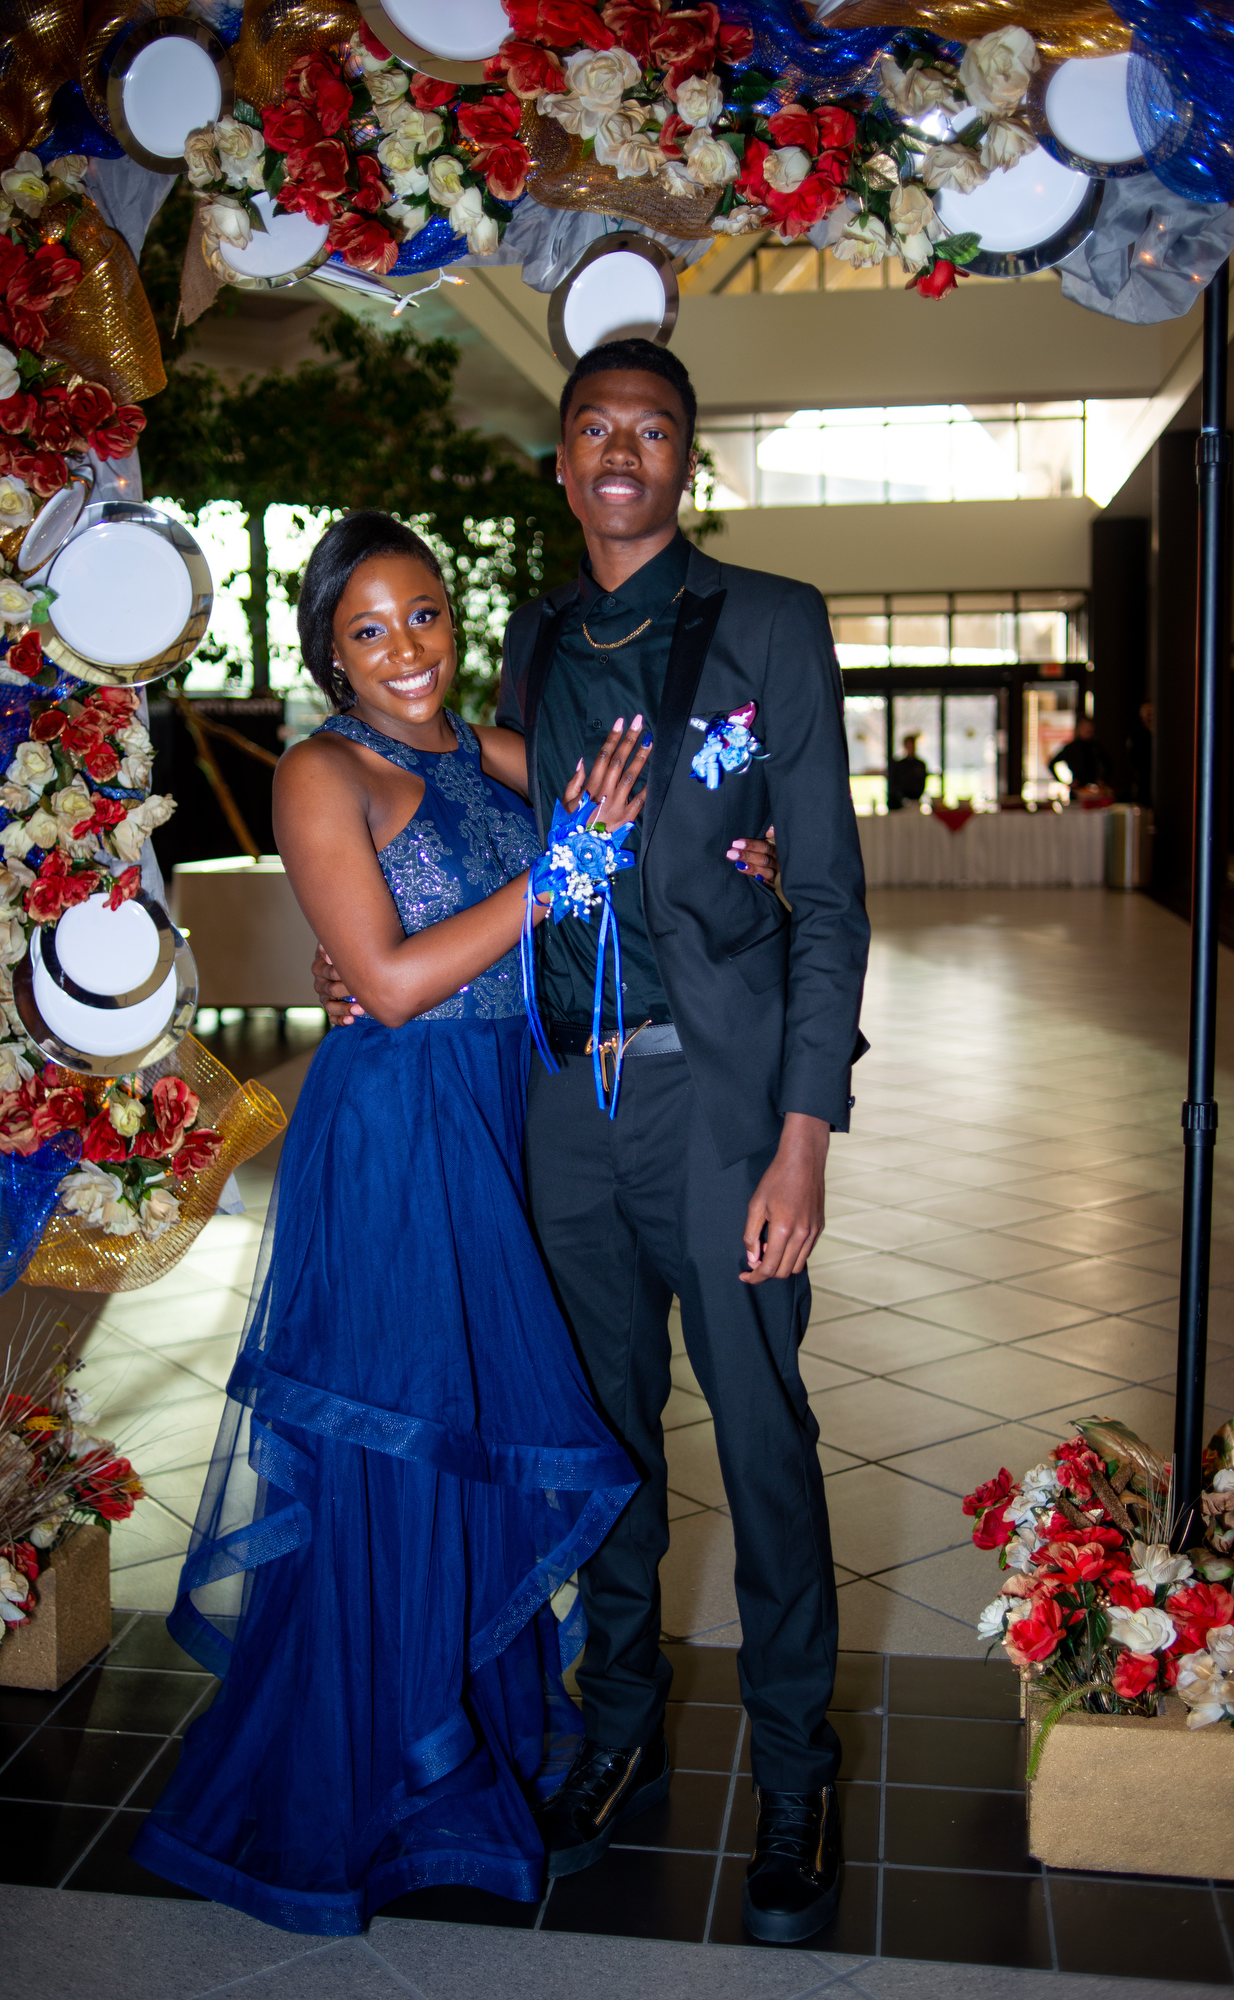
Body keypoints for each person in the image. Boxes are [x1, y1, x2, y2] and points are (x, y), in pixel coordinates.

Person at [134, 511, 775, 1933]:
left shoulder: (474, 749)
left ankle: (444, 1751)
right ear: (327, 654)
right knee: (402, 1450)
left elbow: (657, 775)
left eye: (420, 615)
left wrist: (742, 806)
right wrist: (557, 875)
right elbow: (394, 979)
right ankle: (377, 1779)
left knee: (470, 1450)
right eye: (367, 630)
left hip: (503, 1115)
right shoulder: (319, 771)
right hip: (400, 1127)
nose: (404, 650)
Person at [318, 338, 869, 1944]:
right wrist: (355, 960)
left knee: (760, 1438)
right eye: (591, 430)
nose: (618, 451)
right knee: (597, 1442)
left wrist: (803, 1135)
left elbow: (826, 897)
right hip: (564, 1104)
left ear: (679, 464)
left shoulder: (772, 620)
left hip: (717, 1096)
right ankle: (615, 1726)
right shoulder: (537, 636)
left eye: (649, 430)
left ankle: (792, 1770)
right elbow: (469, 818)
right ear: (558, 467)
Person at [1049, 715, 1109, 794]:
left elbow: (1108, 763)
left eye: (1090, 728)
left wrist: (1102, 780)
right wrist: (1064, 782)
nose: (1088, 730)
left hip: (1094, 789)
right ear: (1080, 728)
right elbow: (1052, 763)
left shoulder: (1096, 747)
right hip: (1076, 790)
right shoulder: (1072, 747)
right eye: (1086, 728)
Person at [886, 731, 928, 810]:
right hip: (900, 799)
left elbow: (921, 784)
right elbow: (894, 782)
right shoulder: (899, 765)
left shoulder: (920, 764)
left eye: (911, 744)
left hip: (915, 799)